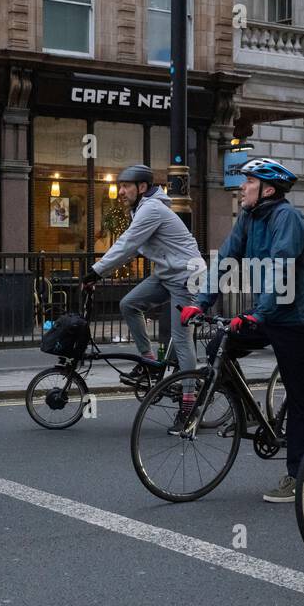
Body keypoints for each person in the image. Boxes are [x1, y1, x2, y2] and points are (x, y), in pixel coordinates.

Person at [181, 158, 304, 503]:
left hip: (298, 321)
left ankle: (300, 478)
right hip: (268, 314)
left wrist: (259, 314)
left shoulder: (286, 218)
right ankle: (243, 410)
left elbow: (281, 270)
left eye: (248, 182)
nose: (241, 187)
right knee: (218, 345)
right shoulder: (249, 217)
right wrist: (201, 301)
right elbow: (227, 260)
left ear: (267, 189)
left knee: (300, 396)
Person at [83, 165, 202, 419]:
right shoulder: (140, 209)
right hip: (166, 273)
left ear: (143, 188)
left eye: (126, 186)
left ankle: (189, 403)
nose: (121, 191)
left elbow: (127, 244)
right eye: (121, 186)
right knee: (128, 304)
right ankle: (149, 363)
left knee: (181, 338)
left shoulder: (152, 209)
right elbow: (134, 247)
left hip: (185, 275)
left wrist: (96, 272)